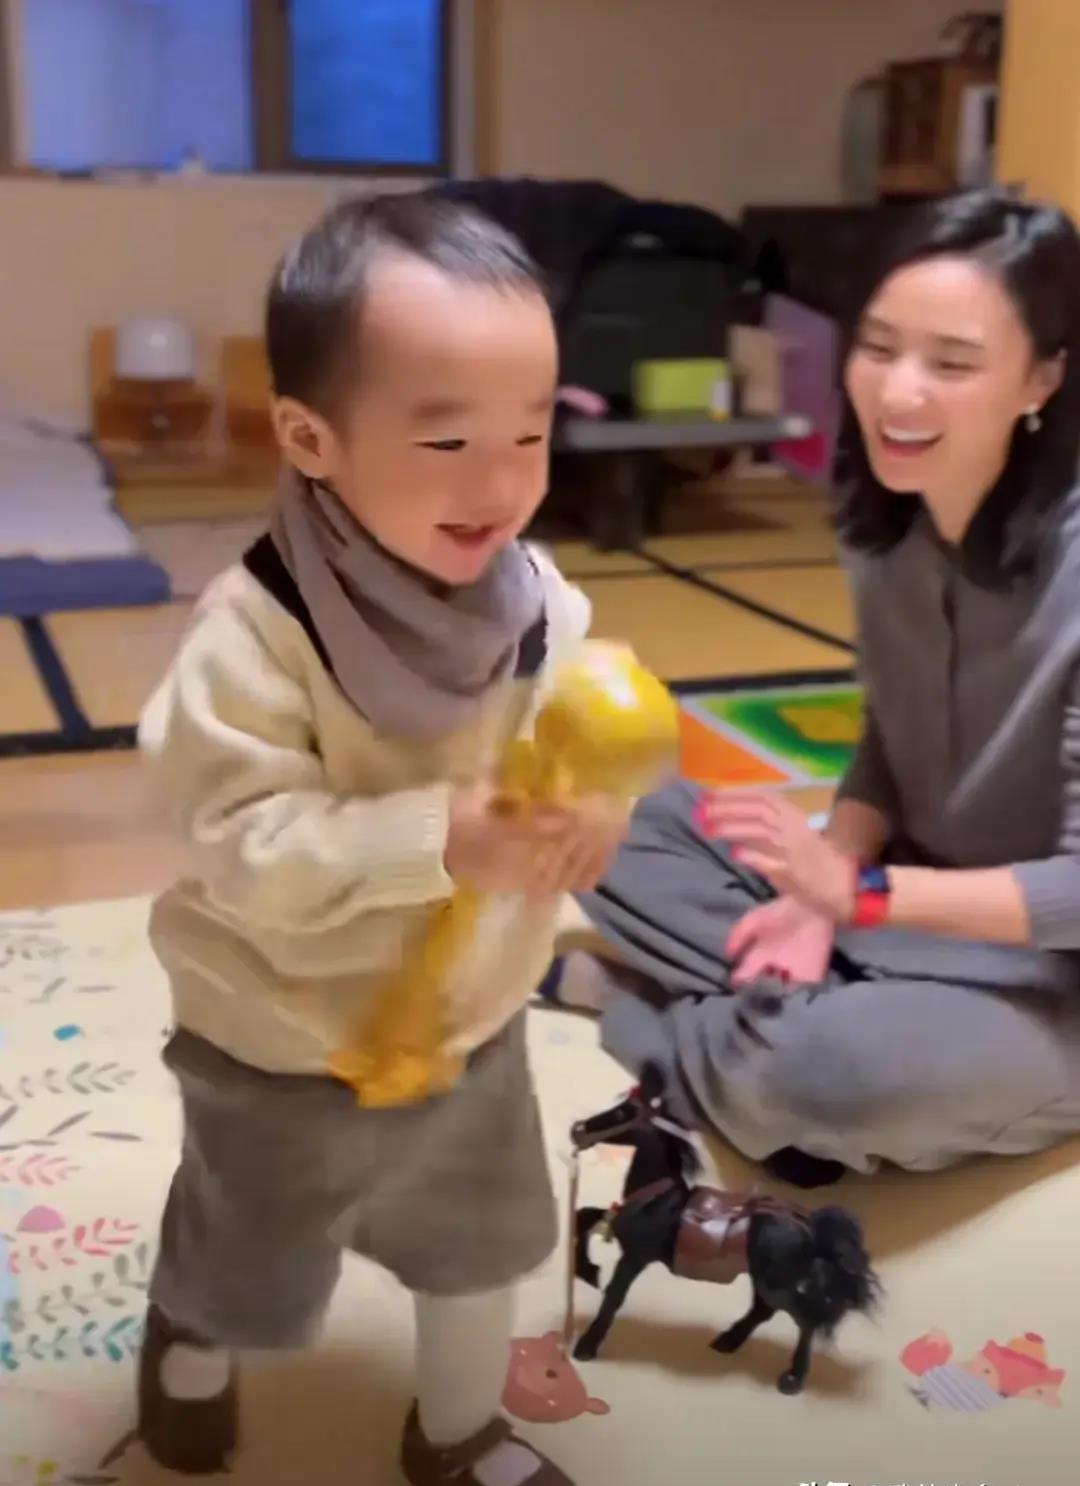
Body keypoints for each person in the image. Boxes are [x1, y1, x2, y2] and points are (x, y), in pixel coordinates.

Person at [136, 192, 629, 1484]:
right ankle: (191, 1324)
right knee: (257, 1246)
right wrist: (438, 836)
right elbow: (237, 842)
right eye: (451, 437)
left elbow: (585, 723)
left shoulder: (536, 601)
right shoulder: (254, 636)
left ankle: (458, 1429)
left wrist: (594, 809)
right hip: (283, 1025)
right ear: (312, 435)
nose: (501, 481)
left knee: (477, 1244)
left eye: (530, 434)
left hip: (466, 1016)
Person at [545, 188, 1080, 1187]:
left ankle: (652, 1018)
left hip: (1056, 969)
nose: (898, 393)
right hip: (903, 902)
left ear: (1041, 377)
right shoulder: (888, 513)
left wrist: (856, 896)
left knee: (833, 1073)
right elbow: (894, 732)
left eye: (952, 363)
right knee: (597, 813)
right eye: (879, 348)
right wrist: (816, 891)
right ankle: (783, 1016)